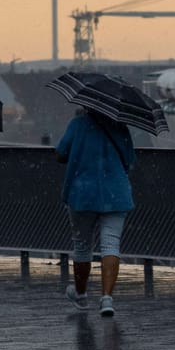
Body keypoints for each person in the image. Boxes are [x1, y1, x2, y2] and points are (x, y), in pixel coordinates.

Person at [56, 108, 135, 318]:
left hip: (83, 193)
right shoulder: (120, 126)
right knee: (111, 244)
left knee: (82, 246)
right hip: (115, 193)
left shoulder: (78, 124)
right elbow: (129, 159)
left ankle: (81, 295)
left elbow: (60, 153)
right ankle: (106, 298)